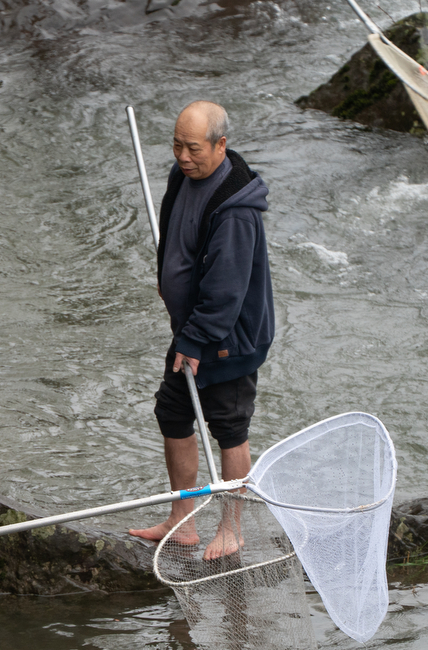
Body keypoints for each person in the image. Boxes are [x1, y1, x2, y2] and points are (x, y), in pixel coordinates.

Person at [128, 101, 274, 560]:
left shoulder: (235, 211)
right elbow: (173, 232)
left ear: (221, 145)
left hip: (228, 336)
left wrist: (194, 340)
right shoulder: (183, 175)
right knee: (172, 412)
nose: (183, 156)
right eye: (176, 145)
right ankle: (183, 520)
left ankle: (231, 528)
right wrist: (165, 277)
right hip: (194, 324)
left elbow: (227, 291)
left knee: (229, 427)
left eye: (193, 148)